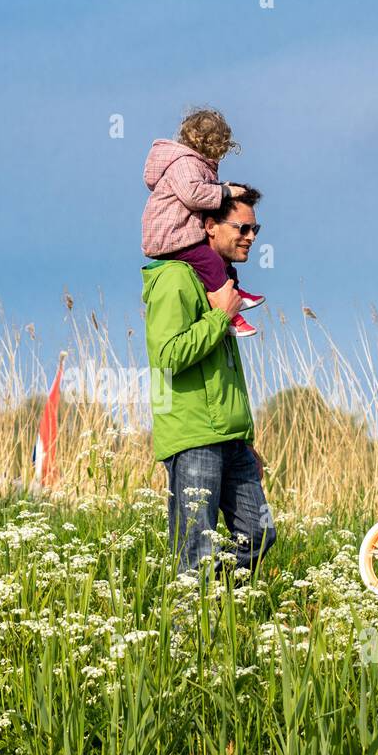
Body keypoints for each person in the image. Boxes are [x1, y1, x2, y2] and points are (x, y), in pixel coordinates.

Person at [142, 184, 275, 575]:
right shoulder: (174, 278)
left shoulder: (222, 283)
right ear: (210, 225)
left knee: (260, 533)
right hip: (194, 437)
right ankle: (191, 629)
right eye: (242, 228)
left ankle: (220, 609)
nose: (250, 237)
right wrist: (220, 318)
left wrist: (244, 440)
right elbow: (165, 358)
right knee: (195, 553)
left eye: (256, 230)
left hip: (230, 439)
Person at [142, 107, 265, 338]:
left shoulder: (197, 166)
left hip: (181, 233)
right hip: (172, 237)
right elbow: (193, 195)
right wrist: (226, 191)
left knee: (222, 264)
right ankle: (231, 315)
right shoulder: (185, 163)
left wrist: (221, 188)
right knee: (210, 260)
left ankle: (236, 293)